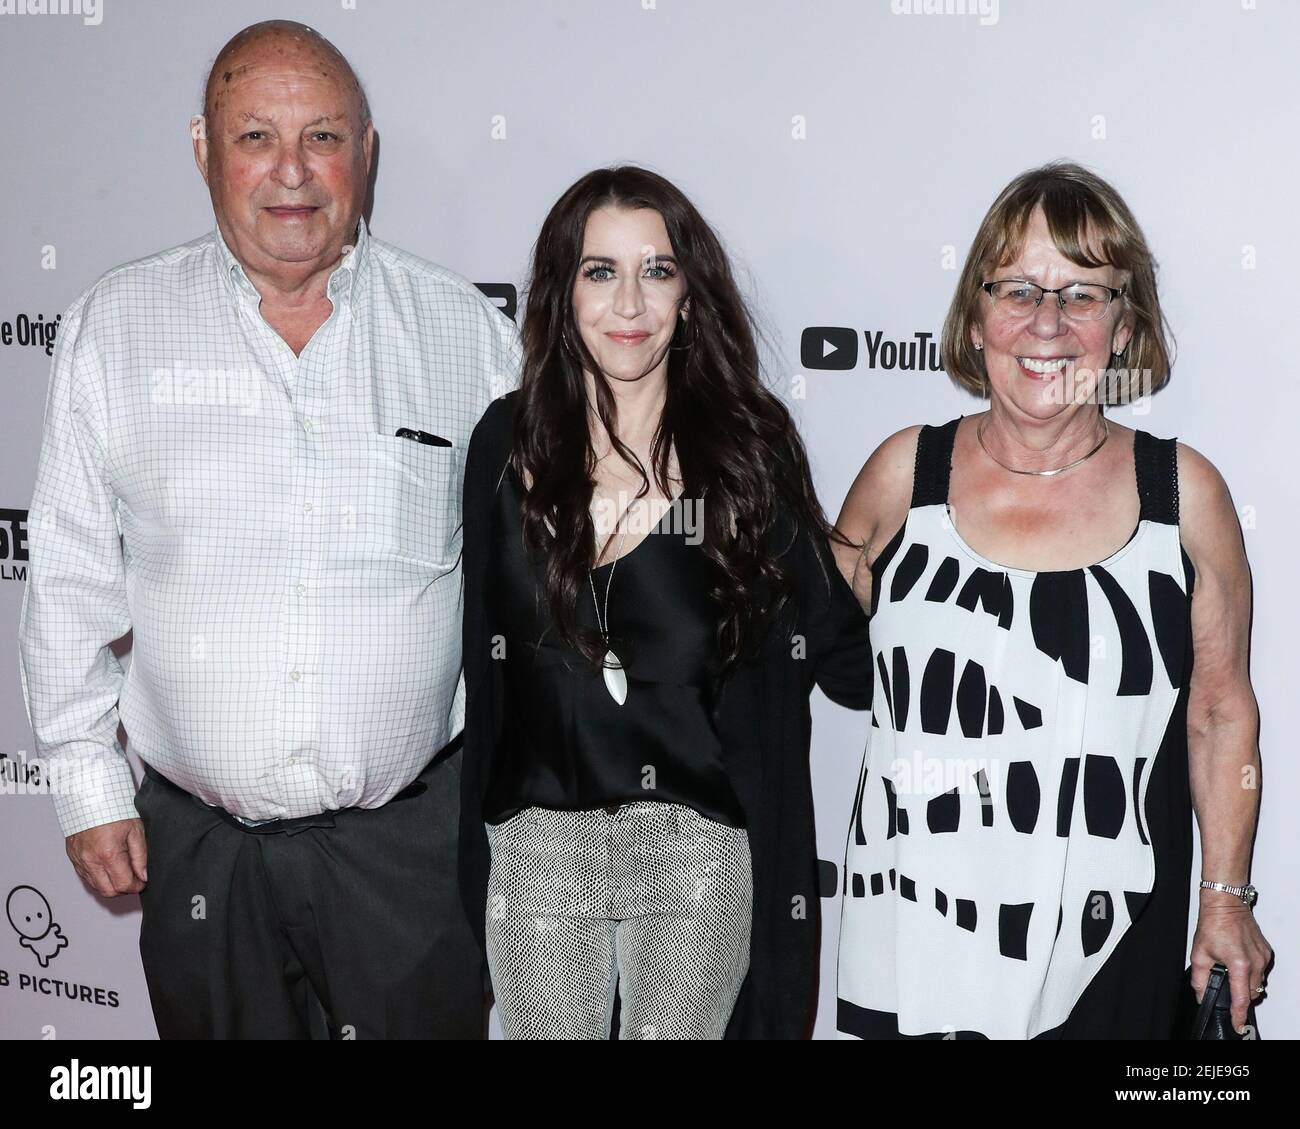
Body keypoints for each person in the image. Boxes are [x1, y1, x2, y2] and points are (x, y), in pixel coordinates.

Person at [17, 20, 521, 1039]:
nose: (292, 173)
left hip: (410, 849)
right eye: (254, 138)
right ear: (203, 151)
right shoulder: (116, 328)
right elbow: (68, 575)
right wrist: (82, 779)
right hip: (201, 848)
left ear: (366, 154)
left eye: (323, 138)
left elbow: (526, 584)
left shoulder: (468, 337)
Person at [833, 161, 1272, 1039]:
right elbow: (805, 653)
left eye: (1083, 294)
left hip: (1111, 950)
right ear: (975, 312)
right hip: (917, 935)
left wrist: (1224, 901)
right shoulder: (899, 475)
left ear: (1125, 322)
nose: (1046, 323)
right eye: (1019, 288)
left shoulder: (1181, 496)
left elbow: (1220, 712)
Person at [459, 165, 872, 1039]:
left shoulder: (743, 449)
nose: (628, 301)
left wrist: (889, 521)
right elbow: (481, 663)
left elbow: (829, 633)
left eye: (657, 269)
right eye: (599, 270)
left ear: (690, 292)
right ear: (563, 292)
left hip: (692, 849)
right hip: (537, 844)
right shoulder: (505, 439)